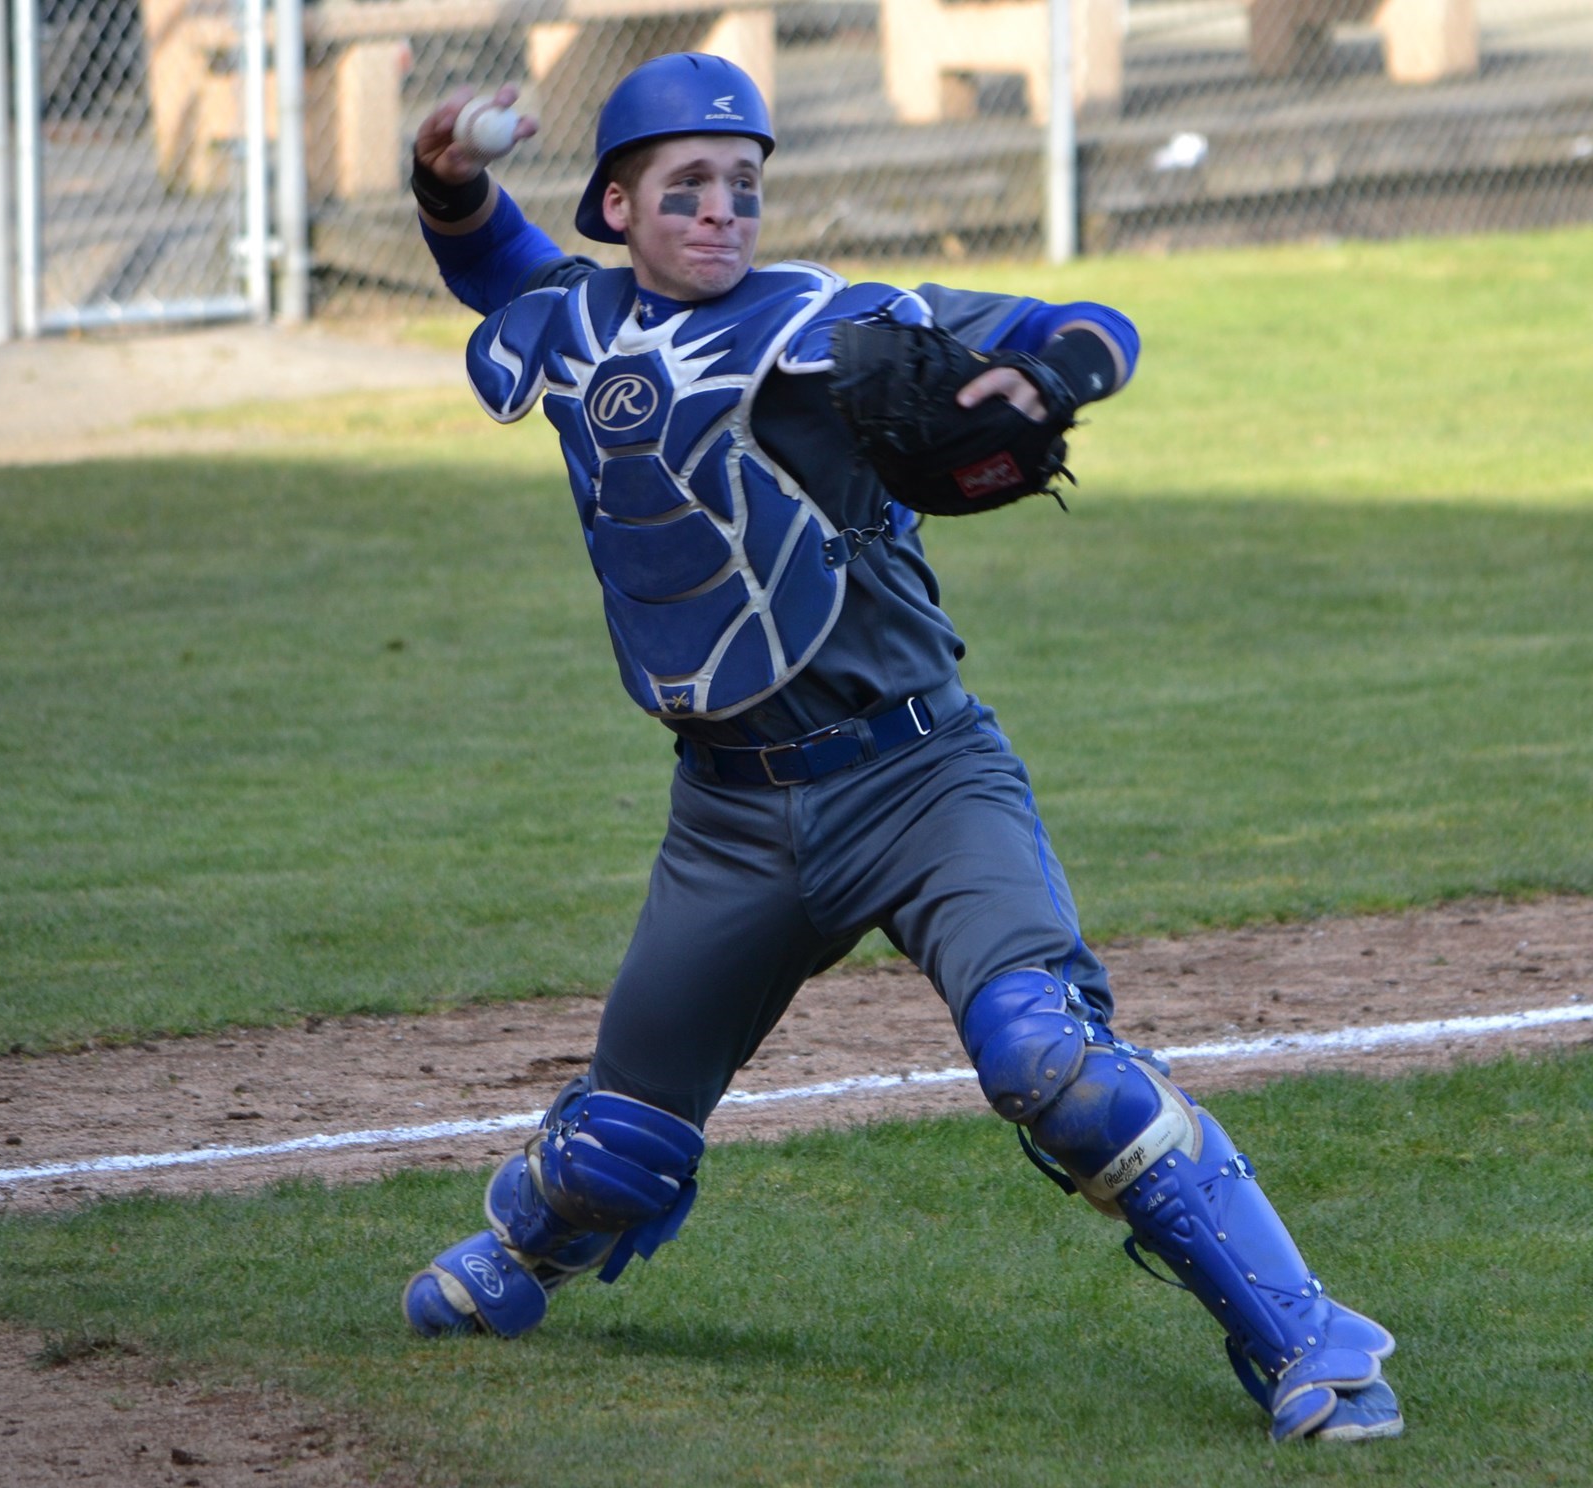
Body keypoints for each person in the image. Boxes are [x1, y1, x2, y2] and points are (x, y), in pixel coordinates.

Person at [398, 53, 1403, 1444]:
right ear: (615, 207)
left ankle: (1312, 1342)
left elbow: (1091, 323)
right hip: (732, 816)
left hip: (922, 778)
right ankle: (528, 1253)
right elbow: (493, 268)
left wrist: (1045, 369)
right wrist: (448, 178)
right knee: (618, 1141)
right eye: (684, 187)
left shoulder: (830, 321)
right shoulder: (573, 322)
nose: (721, 211)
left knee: (1049, 1058)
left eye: (742, 185)